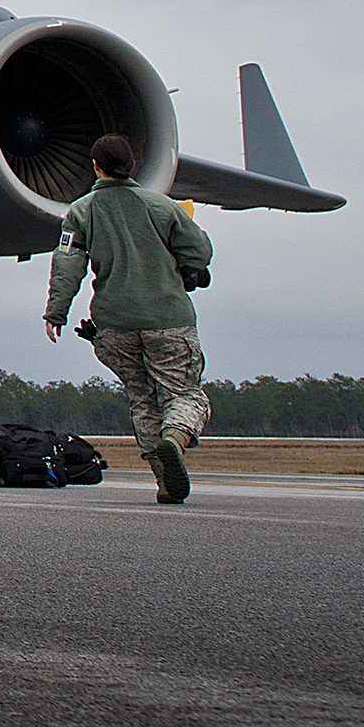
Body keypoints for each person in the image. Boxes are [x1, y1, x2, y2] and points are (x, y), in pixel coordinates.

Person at [44, 132, 214, 505]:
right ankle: (174, 439)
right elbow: (199, 252)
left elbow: (68, 263)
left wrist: (57, 311)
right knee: (184, 394)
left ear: (95, 166)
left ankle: (165, 480)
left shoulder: (81, 211)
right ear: (133, 165)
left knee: (142, 399)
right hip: (167, 320)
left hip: (113, 326)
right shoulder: (162, 206)